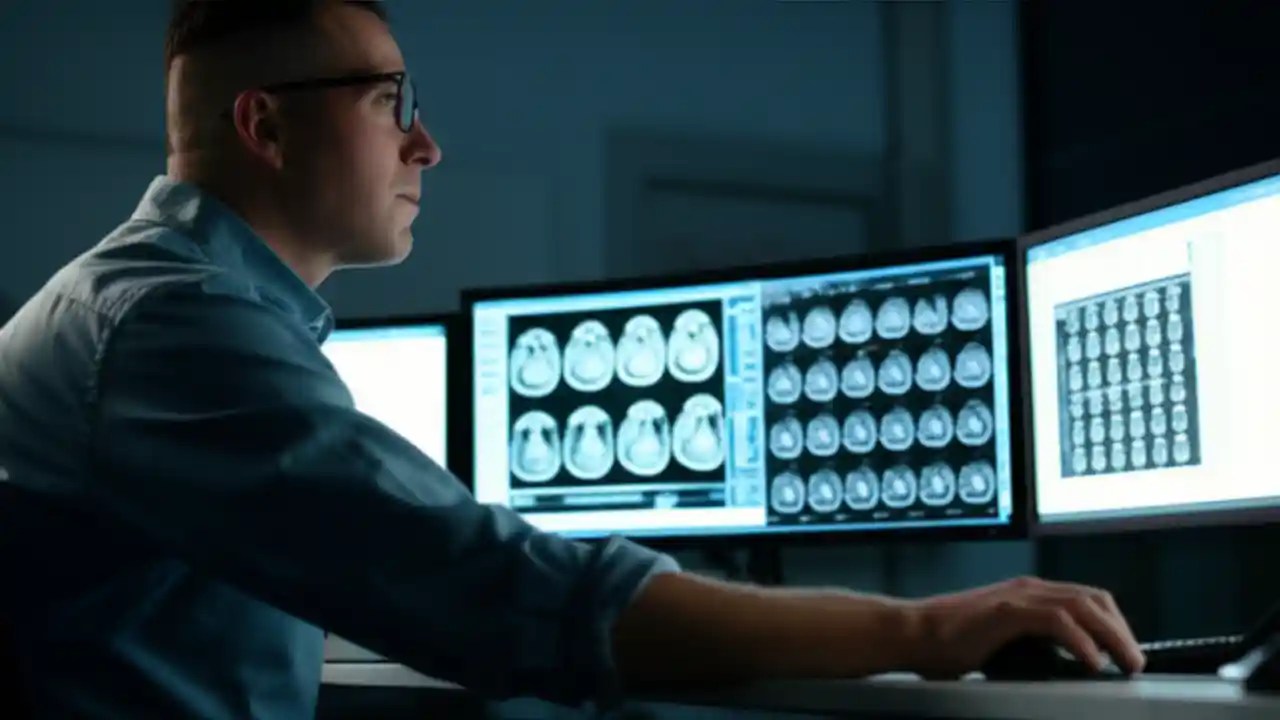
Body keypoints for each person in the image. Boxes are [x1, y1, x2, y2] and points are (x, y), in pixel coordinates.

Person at [0, 1, 1145, 717]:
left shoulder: (161, 307)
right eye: (390, 99)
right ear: (263, 125)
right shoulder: (167, 327)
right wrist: (930, 628)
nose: (426, 143)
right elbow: (507, 595)